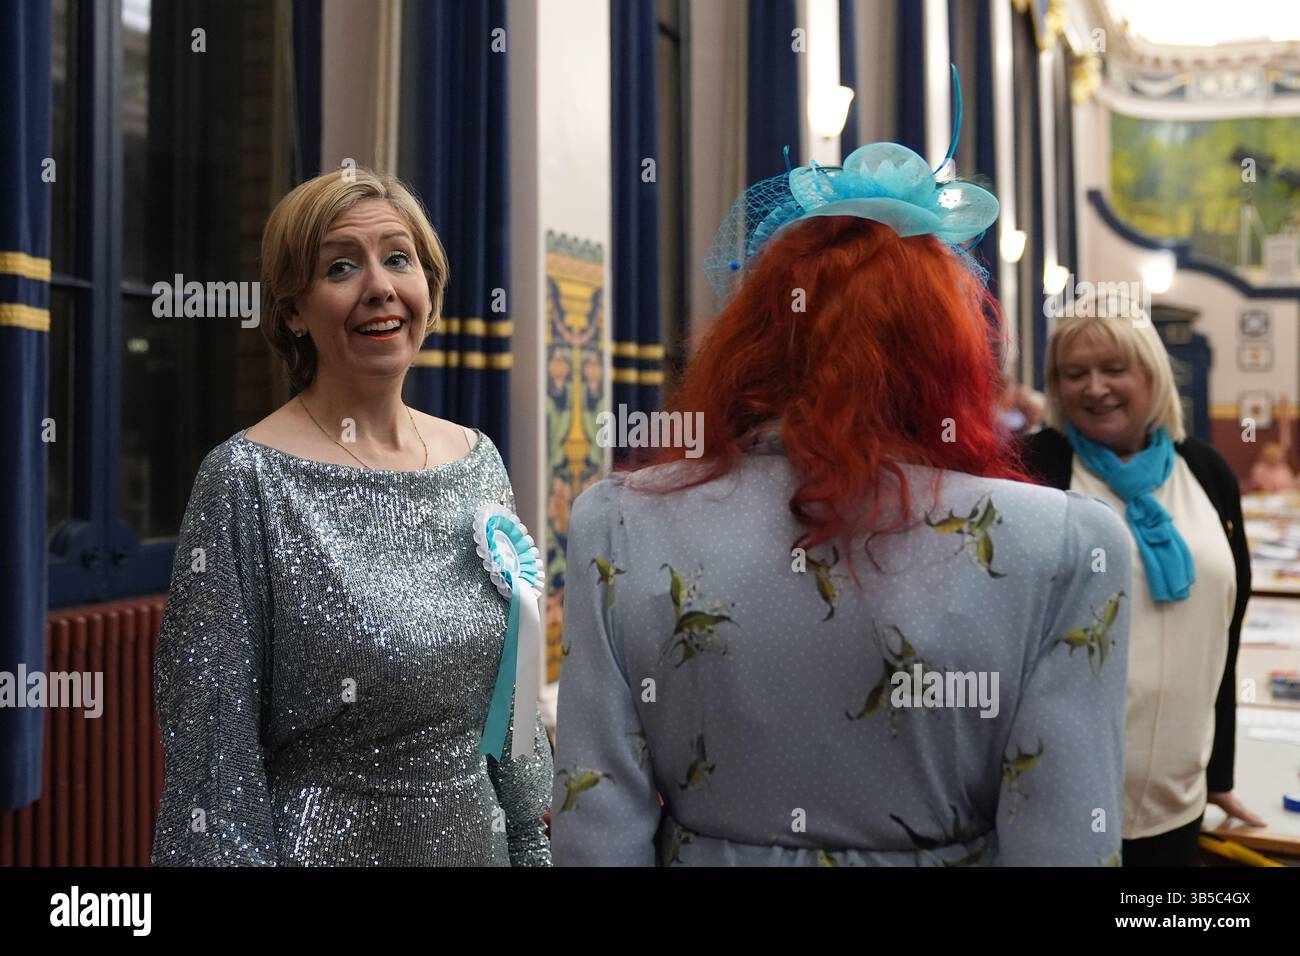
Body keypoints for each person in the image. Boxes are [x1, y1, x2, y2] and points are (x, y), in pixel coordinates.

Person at [550, 140, 1132, 866]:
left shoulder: (621, 523)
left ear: (749, 339)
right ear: (948, 353)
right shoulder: (1067, 548)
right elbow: (1066, 842)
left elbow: (593, 828)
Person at [151, 168, 552, 866]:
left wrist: (530, 847)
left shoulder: (478, 462)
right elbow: (213, 765)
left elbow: (510, 718)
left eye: (399, 258)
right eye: (341, 266)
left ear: (428, 285)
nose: (380, 286)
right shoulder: (245, 482)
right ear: (295, 312)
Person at [1021, 310, 1263, 867]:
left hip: (1179, 801)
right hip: (1058, 797)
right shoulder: (1033, 471)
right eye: (1073, 373)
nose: (1096, 388)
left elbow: (1224, 635)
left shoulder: (1207, 472)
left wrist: (1219, 772)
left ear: (1152, 373)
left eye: (1114, 368)